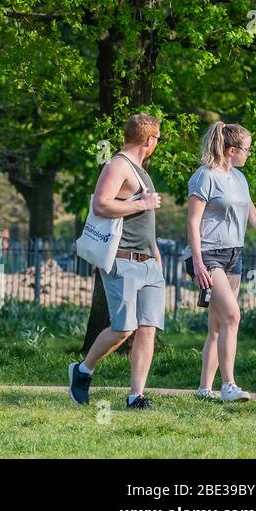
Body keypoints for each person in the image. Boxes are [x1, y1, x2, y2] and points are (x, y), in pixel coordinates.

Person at [186, 122, 256, 402]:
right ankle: (229, 385)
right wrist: (198, 263)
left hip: (233, 255)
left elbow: (255, 218)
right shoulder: (204, 177)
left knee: (218, 324)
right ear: (231, 150)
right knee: (233, 316)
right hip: (209, 255)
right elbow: (192, 222)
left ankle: (204, 389)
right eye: (247, 150)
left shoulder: (239, 179)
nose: (249, 154)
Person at [69, 113, 164, 410]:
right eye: (157, 139)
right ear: (149, 140)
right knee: (124, 328)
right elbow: (100, 203)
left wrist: (156, 254)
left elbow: (143, 221)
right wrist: (143, 203)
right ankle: (83, 370)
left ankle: (136, 395)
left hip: (149, 261)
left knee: (147, 328)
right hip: (123, 260)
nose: (156, 144)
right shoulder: (118, 164)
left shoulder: (139, 169)